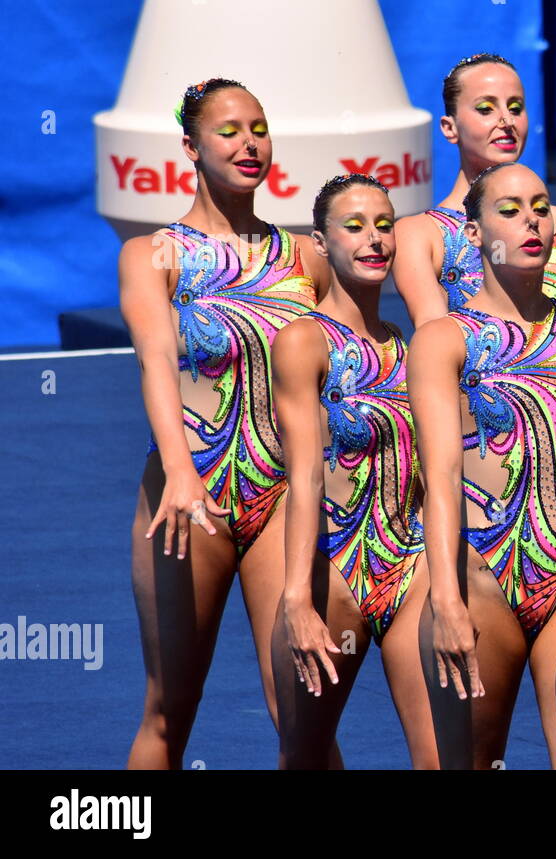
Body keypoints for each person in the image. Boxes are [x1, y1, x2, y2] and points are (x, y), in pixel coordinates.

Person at [120, 79, 330, 768]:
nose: (249, 144)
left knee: (304, 715)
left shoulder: (308, 259)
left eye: (260, 128)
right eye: (230, 130)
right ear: (190, 146)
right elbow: (156, 362)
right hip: (189, 499)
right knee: (168, 709)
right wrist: (180, 469)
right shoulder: (155, 255)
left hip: (284, 503)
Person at [408, 162, 556, 769]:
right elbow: (440, 477)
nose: (531, 222)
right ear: (474, 230)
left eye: (540, 208)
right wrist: (444, 598)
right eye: (509, 211)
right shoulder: (444, 340)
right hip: (482, 577)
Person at [268, 175, 436, 768]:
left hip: (410, 567)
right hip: (332, 571)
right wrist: (294, 597)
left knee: (442, 756)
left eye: (385, 225)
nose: (375, 240)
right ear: (320, 242)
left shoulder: (409, 347)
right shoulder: (302, 341)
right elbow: (305, 474)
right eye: (356, 226)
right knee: (305, 757)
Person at [394, 54, 556, 327]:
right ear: (450, 128)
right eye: (486, 109)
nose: (506, 121)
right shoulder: (421, 234)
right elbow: (433, 335)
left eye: (516, 108)